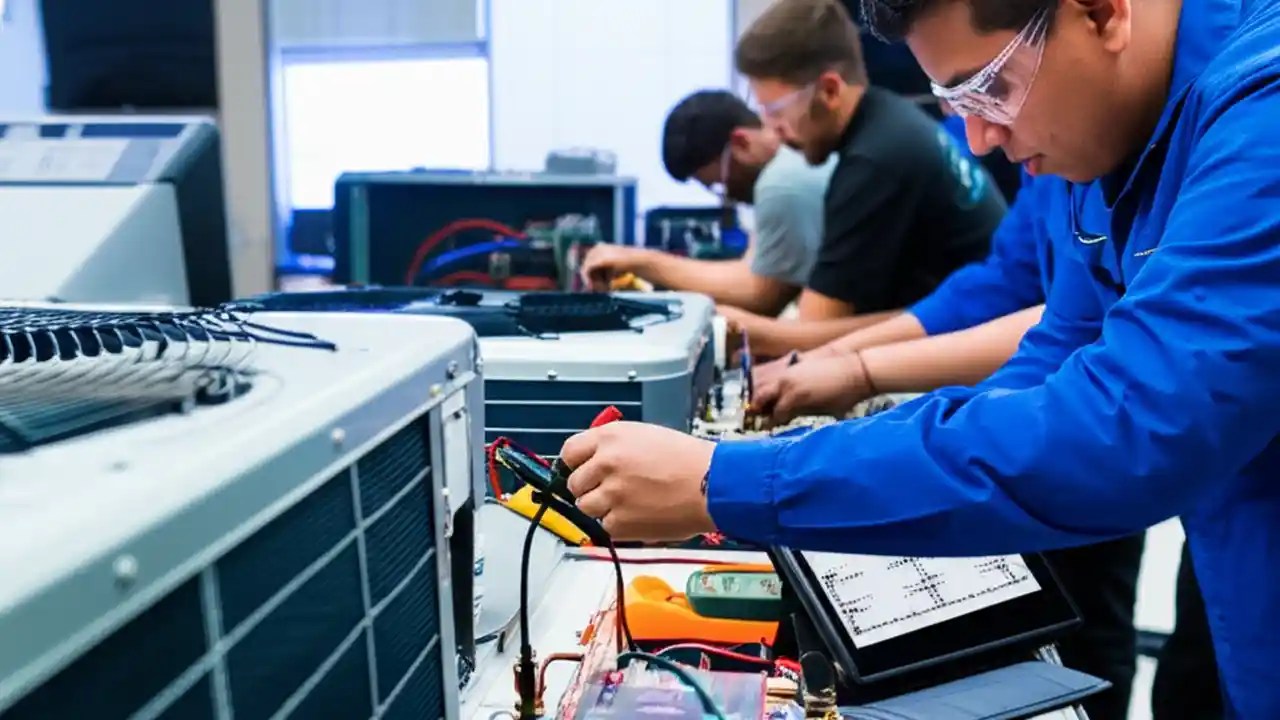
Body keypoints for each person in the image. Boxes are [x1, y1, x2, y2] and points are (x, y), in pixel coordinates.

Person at [558, 0, 1280, 714]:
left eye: (988, 87)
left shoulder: (1261, 112)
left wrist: (734, 481)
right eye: (953, 100)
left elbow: (1121, 432)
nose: (980, 136)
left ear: (1099, 12)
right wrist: (806, 454)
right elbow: (1053, 355)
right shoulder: (1110, 143)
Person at [717, 0, 1007, 356]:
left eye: (776, 111)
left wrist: (735, 328)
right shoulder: (887, 120)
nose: (774, 131)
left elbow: (815, 328)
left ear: (830, 91)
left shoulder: (876, 161)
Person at [580, 90, 834, 317]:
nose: (729, 197)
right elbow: (749, 270)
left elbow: (759, 295)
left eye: (721, 184)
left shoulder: (782, 183)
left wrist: (639, 261)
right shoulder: (794, 157)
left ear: (741, 142)